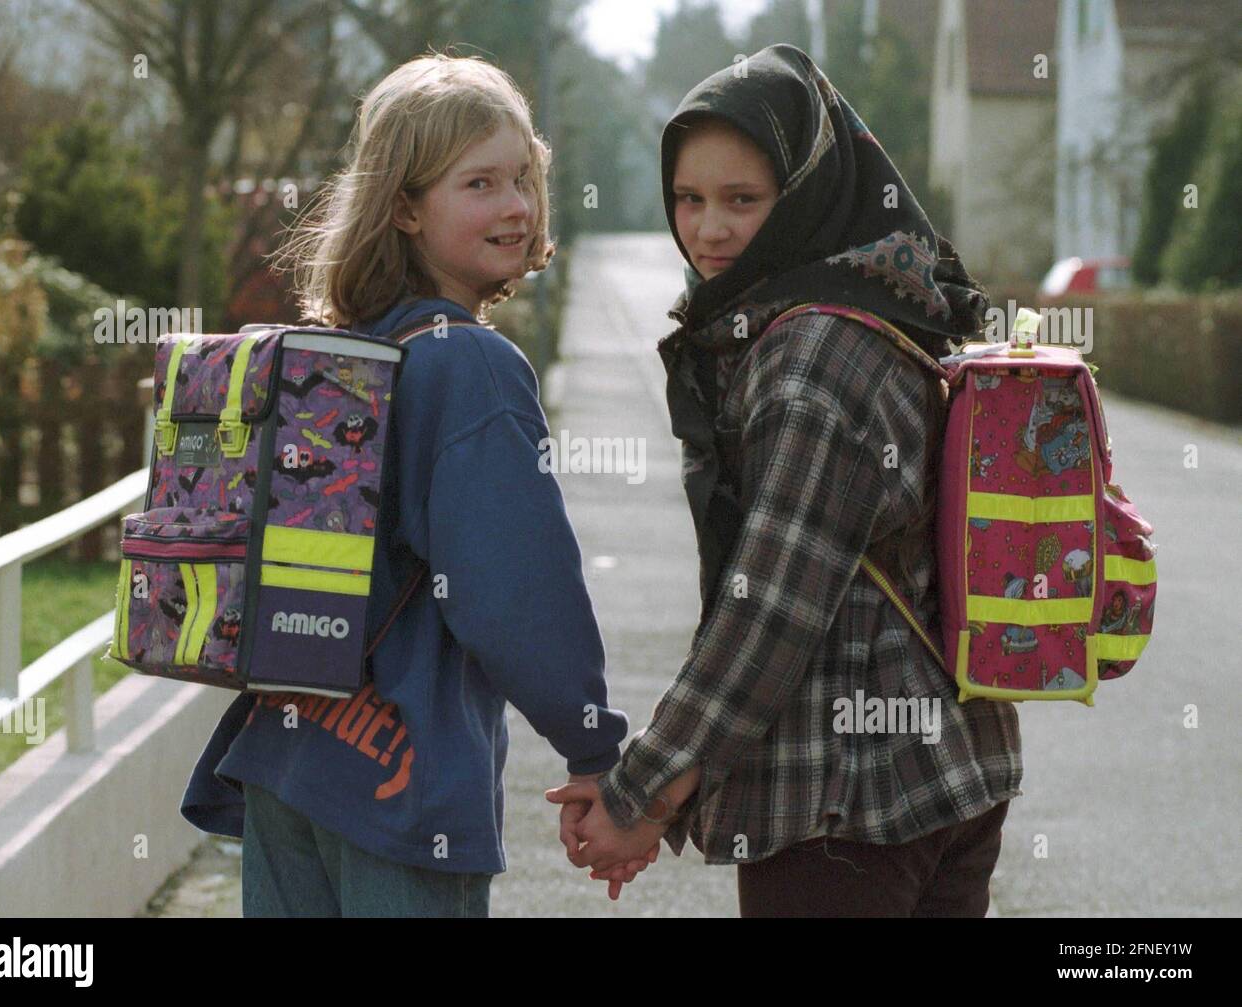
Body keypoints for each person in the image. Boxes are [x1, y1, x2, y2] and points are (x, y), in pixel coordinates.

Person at [547, 44, 1023, 917]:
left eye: (743, 201)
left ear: (803, 195)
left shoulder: (810, 358)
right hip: (949, 776)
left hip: (845, 807)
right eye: (689, 200)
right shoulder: (881, 306)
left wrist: (638, 795)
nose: (709, 230)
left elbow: (770, 607)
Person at [180, 53, 634, 917]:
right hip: (402, 788)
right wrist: (594, 752)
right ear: (405, 207)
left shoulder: (351, 356)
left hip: (288, 757)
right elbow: (517, 594)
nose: (516, 206)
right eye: (479, 184)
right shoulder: (474, 369)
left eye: (524, 179)